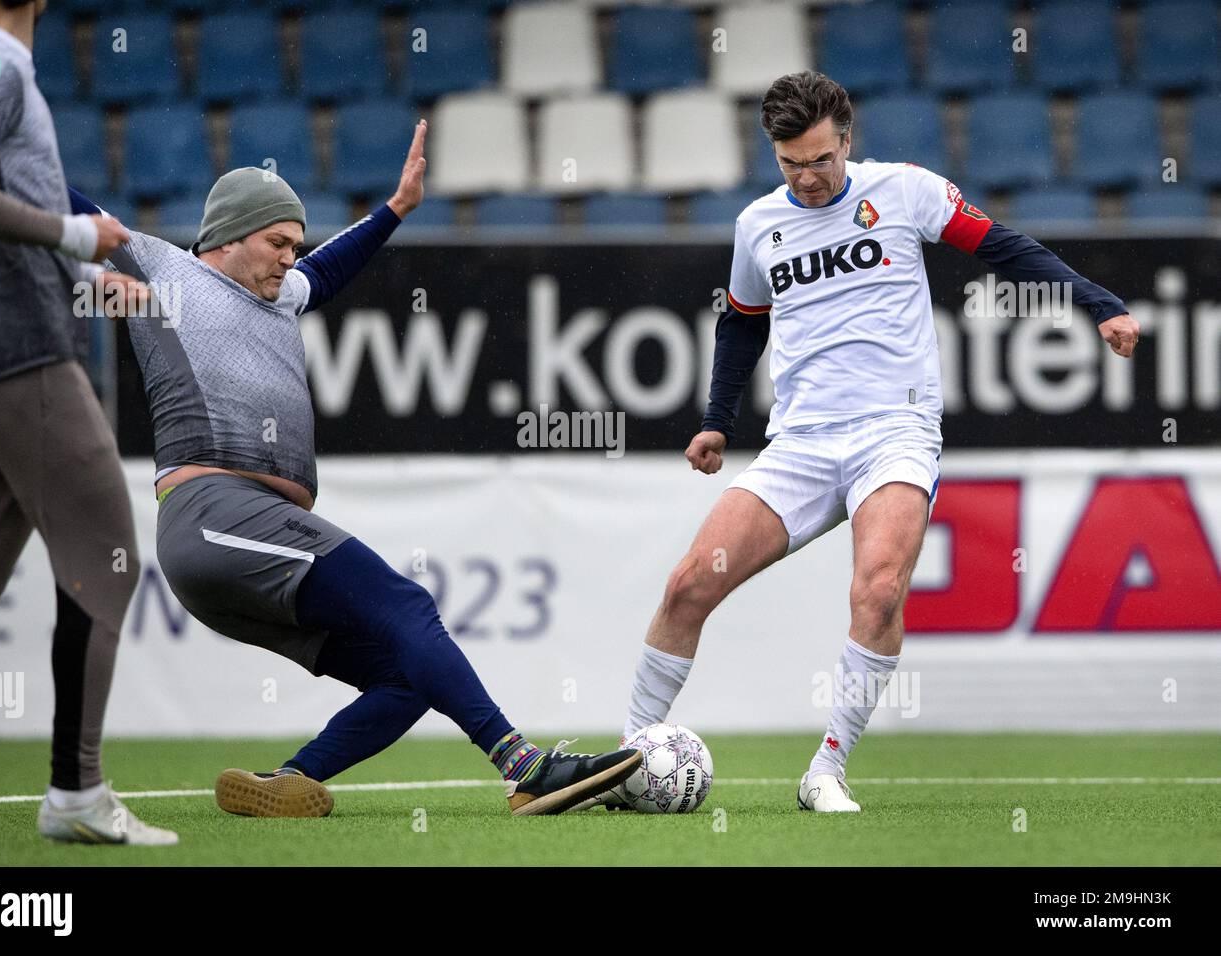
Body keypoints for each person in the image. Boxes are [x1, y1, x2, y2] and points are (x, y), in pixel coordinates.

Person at [68, 119, 640, 817]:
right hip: (212, 517)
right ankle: (523, 767)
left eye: (295, 244)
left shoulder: (281, 297)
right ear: (227, 235)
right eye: (277, 242)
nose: (290, 257)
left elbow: (332, 268)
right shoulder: (164, 273)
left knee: (406, 673)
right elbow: (58, 194)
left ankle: (290, 780)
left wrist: (395, 209)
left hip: (247, 540)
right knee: (408, 606)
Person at [612, 71, 1139, 813]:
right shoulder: (758, 225)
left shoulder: (904, 191)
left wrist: (1100, 304)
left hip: (894, 431)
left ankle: (826, 769)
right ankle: (630, 757)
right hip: (800, 443)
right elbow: (742, 322)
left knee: (880, 587)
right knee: (689, 583)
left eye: (822, 160)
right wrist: (716, 421)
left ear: (846, 142)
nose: (809, 177)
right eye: (792, 163)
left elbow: (1004, 247)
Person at [0, 1, 174, 845]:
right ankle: (76, 793)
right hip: (20, 357)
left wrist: (77, 264)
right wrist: (73, 235)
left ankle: (76, 793)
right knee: (107, 562)